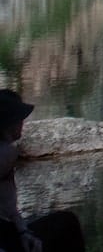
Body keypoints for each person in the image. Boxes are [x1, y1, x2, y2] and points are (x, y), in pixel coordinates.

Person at [0, 90, 85, 252]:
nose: (23, 122)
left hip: (10, 229)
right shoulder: (5, 152)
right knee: (67, 223)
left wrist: (24, 232)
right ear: (9, 122)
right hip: (4, 236)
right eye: (20, 118)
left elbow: (9, 207)